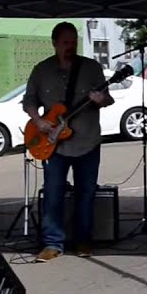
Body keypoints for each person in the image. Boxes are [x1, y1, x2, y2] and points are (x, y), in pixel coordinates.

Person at [23, 21, 113, 262]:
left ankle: (83, 240)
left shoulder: (91, 68)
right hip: (54, 145)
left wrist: (100, 99)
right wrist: (39, 121)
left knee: (86, 193)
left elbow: (108, 99)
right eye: (65, 43)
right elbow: (28, 100)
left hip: (87, 141)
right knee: (53, 194)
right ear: (54, 43)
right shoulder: (41, 70)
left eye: (73, 42)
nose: (70, 47)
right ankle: (52, 243)